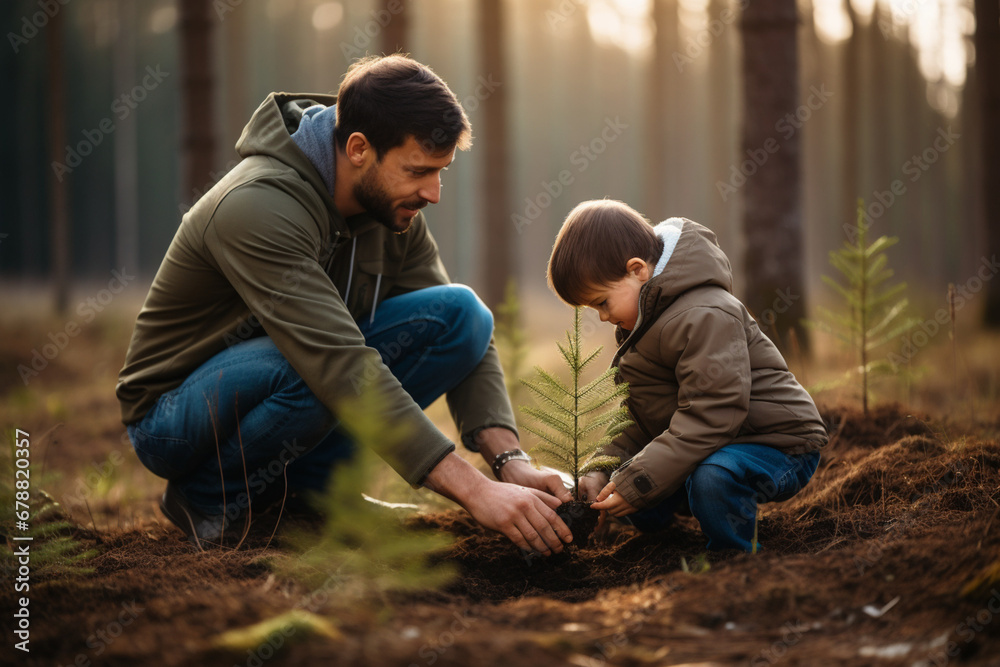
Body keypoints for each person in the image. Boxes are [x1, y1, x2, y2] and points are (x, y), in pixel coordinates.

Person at [116, 55, 572, 554]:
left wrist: (510, 462)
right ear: (358, 148)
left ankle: (314, 493)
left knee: (462, 315)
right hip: (174, 419)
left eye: (440, 172)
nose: (433, 193)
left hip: (296, 377)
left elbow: (465, 337)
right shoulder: (256, 205)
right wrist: (475, 491)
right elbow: (336, 363)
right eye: (418, 171)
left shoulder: (391, 210)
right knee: (313, 371)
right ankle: (208, 497)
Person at [546, 199, 828, 551]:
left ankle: (733, 559)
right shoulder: (649, 324)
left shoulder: (705, 314)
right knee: (632, 486)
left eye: (602, 302)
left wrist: (639, 482)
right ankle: (671, 518)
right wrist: (601, 468)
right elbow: (643, 419)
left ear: (637, 270)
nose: (602, 317)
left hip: (778, 445)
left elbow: (713, 414)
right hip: (717, 441)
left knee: (711, 479)